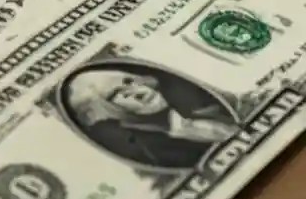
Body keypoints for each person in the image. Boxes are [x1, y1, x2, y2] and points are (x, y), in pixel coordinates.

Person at [63, 67, 237, 169]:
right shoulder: (148, 151)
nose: (137, 91)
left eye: (129, 82)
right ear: (107, 112)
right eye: (118, 94)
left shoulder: (200, 96)